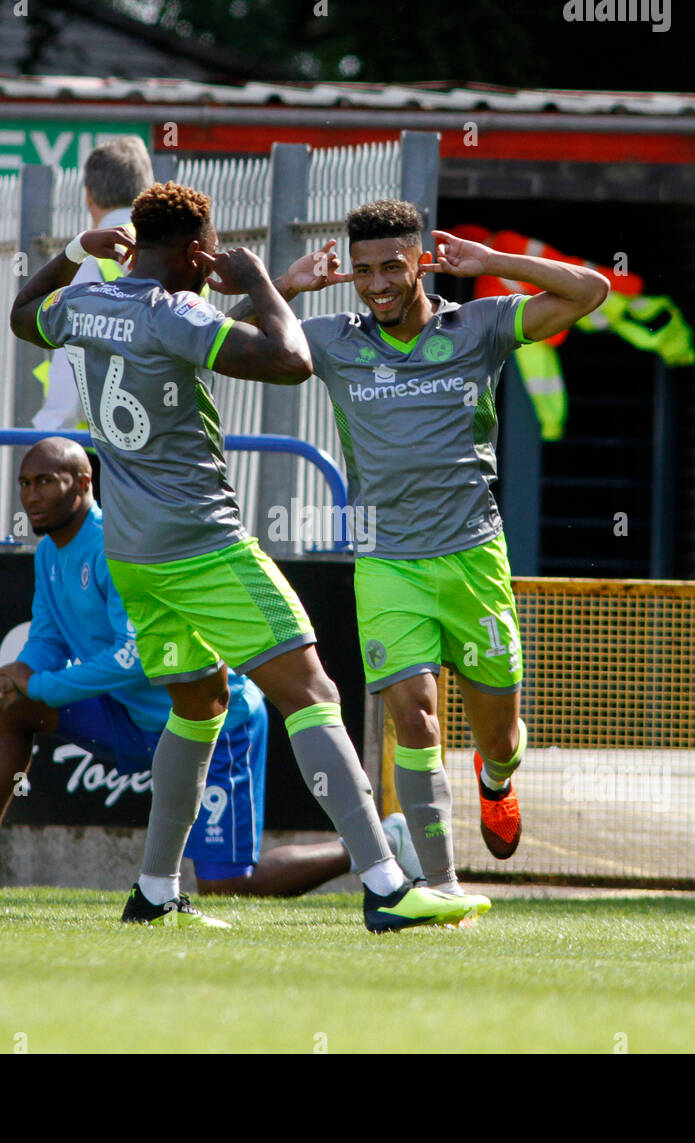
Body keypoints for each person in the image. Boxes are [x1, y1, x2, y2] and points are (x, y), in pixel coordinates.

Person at [9, 182, 486, 931]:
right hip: (204, 544)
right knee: (312, 692)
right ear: (199, 251)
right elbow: (291, 360)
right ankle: (387, 884)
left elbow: (24, 316)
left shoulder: (86, 302)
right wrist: (263, 280)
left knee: (198, 706)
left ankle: (156, 891)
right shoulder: (176, 310)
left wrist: (73, 253)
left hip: (132, 552)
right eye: (210, 251)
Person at [236, 200, 609, 893]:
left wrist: (493, 264)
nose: (376, 283)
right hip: (385, 563)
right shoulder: (334, 340)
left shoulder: (479, 326)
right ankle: (440, 884)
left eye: (391, 267)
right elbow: (213, 341)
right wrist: (282, 287)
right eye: (363, 270)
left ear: (421, 263)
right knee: (416, 718)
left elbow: (591, 291)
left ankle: (496, 780)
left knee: (497, 738)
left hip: (474, 558)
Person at [0, 438, 421, 895]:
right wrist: (15, 675)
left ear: (84, 483)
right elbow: (48, 634)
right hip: (132, 715)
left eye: (45, 481)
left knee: (225, 886)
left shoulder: (115, 543)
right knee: (12, 708)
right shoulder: (49, 553)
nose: (31, 495)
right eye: (23, 484)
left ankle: (382, 843)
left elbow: (135, 660)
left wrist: (40, 683)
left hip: (213, 719)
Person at [32, 136, 153, 433]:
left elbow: (73, 358)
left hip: (102, 443)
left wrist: (51, 433)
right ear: (148, 192)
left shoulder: (91, 261)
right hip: (169, 439)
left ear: (88, 196)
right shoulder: (177, 253)